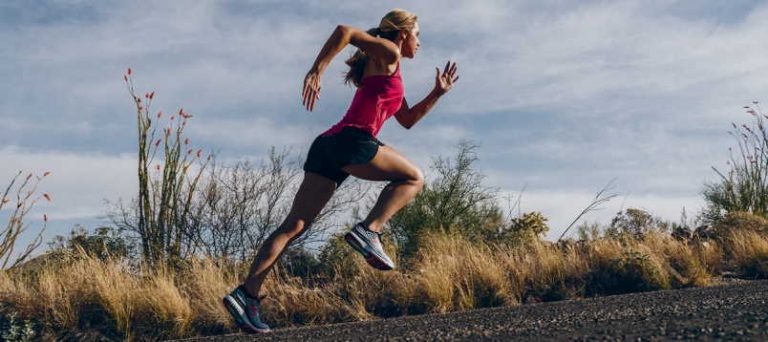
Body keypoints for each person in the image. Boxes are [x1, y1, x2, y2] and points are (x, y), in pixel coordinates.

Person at [222, 8, 459, 333]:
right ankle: (369, 230)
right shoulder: (389, 53)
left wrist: (437, 93)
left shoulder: (391, 72)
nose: (420, 43)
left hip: (328, 145)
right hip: (352, 140)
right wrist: (316, 70)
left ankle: (246, 296)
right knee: (413, 177)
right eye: (418, 35)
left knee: (294, 225)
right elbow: (344, 30)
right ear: (403, 34)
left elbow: (406, 120)